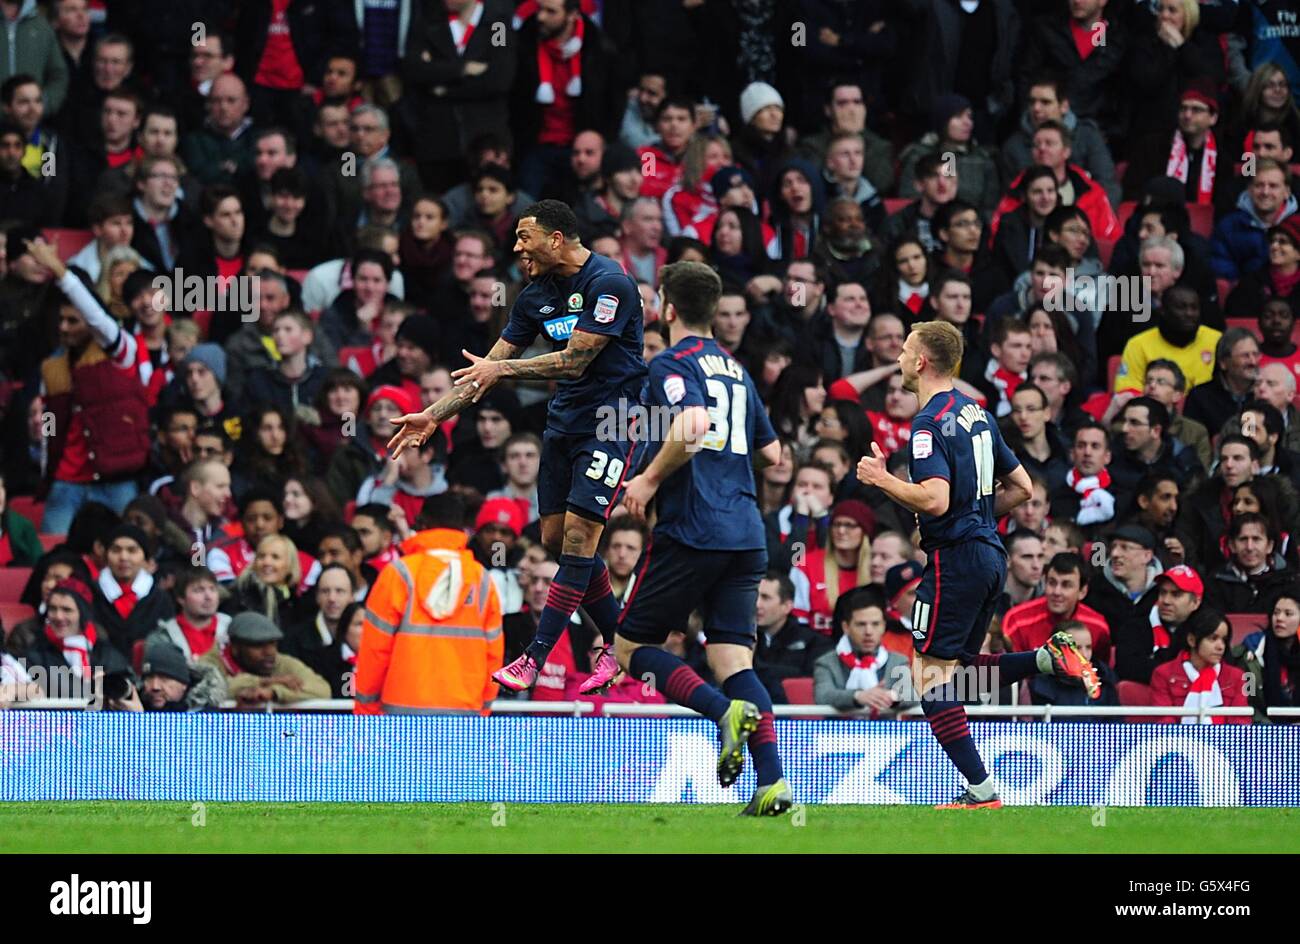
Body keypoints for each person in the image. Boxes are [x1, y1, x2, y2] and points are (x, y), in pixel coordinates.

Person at [386, 200, 645, 695]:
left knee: (577, 541)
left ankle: (533, 655)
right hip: (564, 422)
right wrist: (433, 416)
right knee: (554, 539)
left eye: (525, 237)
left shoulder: (609, 283)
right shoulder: (532, 298)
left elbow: (574, 361)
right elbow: (486, 370)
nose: (517, 246)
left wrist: (501, 369)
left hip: (611, 421)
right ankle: (618, 644)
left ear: (556, 239)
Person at [856, 319, 1099, 808]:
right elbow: (1023, 488)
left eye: (905, 351)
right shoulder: (978, 415)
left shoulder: (927, 423)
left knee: (927, 679)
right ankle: (1046, 660)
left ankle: (982, 791)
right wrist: (975, 518)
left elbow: (935, 499)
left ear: (922, 361)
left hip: (957, 561)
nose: (900, 359)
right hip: (989, 556)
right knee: (961, 670)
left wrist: (880, 479)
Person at [604, 261, 789, 815]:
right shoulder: (735, 369)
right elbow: (773, 453)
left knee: (630, 648)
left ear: (667, 307)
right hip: (746, 530)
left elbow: (691, 425)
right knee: (734, 659)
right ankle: (772, 785)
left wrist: (649, 478)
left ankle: (719, 713)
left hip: (694, 529)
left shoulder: (671, 362)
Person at [27, 238, 150, 534]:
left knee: (130, 552)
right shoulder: (51, 367)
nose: (64, 327)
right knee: (53, 555)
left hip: (117, 480)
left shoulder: (120, 350)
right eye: (61, 321)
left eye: (73, 321)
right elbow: (51, 423)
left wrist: (59, 270)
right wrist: (46, 464)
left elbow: (95, 313)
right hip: (66, 482)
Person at [354, 493, 503, 715]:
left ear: (421, 523)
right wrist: (483, 708)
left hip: (399, 717)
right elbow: (494, 655)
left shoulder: (398, 574)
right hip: (464, 716)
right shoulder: (481, 580)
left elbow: (374, 651)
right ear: (464, 530)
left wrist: (366, 709)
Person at [813, 586, 915, 716]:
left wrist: (889, 696)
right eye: (861, 624)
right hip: (838, 735)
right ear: (846, 627)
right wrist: (858, 696)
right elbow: (823, 695)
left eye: (875, 624)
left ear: (884, 626)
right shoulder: (826, 663)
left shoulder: (898, 661)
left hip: (885, 735)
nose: (868, 632)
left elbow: (912, 695)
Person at [200, 611, 331, 708]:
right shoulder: (211, 661)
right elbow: (212, 688)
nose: (269, 652)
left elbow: (322, 689)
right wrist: (266, 681)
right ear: (235, 647)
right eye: (258, 645)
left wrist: (273, 692)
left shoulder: (279, 661)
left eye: (273, 644)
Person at [1148, 606, 1250, 724]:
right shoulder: (1163, 674)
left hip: (1224, 741)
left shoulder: (1238, 677)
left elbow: (1241, 722)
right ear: (1191, 640)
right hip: (1178, 741)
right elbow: (1165, 722)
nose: (1221, 647)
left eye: (1224, 640)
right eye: (1213, 638)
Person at [752, 570, 830, 702]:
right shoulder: (742, 639)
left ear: (787, 606)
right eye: (755, 596)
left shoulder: (814, 643)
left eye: (765, 598)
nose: (757, 604)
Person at [146, 566, 231, 665]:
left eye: (213, 589)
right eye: (198, 590)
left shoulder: (232, 629)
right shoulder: (163, 637)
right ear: (181, 598)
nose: (208, 597)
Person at [137, 640, 228, 712]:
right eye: (149, 678)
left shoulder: (206, 717)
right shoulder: (132, 708)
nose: (155, 686)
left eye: (164, 679)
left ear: (184, 684)